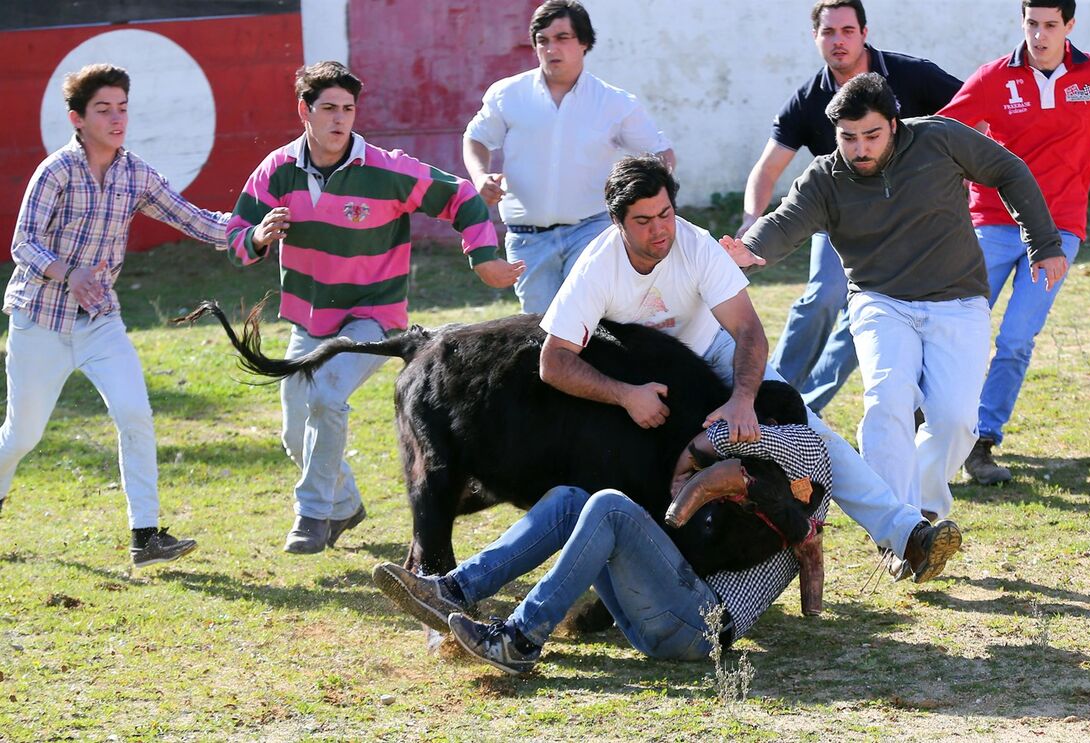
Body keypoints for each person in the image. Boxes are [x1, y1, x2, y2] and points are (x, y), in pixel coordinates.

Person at [537, 155, 959, 587]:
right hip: (645, 379)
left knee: (813, 433)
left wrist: (742, 399)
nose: (660, 229)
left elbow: (748, 332)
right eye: (643, 221)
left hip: (714, 352)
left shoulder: (695, 244)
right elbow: (553, 362)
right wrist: (625, 394)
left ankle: (906, 534)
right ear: (617, 222)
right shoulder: (596, 268)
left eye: (665, 214)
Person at [732, 73, 1064, 528]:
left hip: (958, 301)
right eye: (848, 138)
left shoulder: (939, 138)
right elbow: (787, 220)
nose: (860, 149)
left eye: (871, 135)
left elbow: (1008, 169)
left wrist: (1043, 243)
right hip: (879, 302)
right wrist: (751, 249)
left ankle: (923, 505)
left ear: (895, 124)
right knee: (888, 402)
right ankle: (900, 526)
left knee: (955, 421)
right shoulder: (825, 178)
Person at [227, 61, 523, 554]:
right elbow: (235, 235)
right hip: (308, 320)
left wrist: (485, 258)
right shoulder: (277, 170)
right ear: (305, 111)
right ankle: (344, 505)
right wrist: (257, 237)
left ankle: (313, 514)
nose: (340, 119)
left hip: (374, 319)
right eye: (328, 109)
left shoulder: (387, 170)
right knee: (294, 434)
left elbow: (462, 198)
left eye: (348, 109)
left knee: (326, 395)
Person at [373, 407, 834, 676]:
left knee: (609, 506)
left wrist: (702, 446)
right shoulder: (778, 492)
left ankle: (520, 638)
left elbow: (725, 436)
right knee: (576, 500)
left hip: (701, 627)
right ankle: (455, 590)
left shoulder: (804, 445)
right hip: (673, 616)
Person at [1, 64, 229, 567]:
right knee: (23, 435)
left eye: (122, 107)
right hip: (40, 318)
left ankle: (145, 537)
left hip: (101, 320)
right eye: (104, 109)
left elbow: (193, 217)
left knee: (134, 414)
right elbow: (23, 243)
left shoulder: (136, 173)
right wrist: (68, 272)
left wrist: (251, 232)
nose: (116, 117)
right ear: (77, 119)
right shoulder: (56, 170)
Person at [736, 0, 961, 412]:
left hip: (909, 225)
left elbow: (972, 109)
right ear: (815, 37)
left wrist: (962, 167)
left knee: (863, 319)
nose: (838, 41)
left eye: (847, 31)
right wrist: (752, 225)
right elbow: (765, 171)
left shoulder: (911, 74)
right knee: (823, 297)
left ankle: (803, 409)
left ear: (864, 32)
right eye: (828, 32)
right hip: (839, 223)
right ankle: (771, 396)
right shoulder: (808, 99)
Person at [937, 0, 1090, 485]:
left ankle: (982, 442)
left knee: (1016, 339)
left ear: (1070, 26)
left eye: (1050, 25)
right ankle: (929, 421)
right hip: (991, 223)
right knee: (957, 329)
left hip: (1059, 232)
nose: (1039, 35)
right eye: (1031, 23)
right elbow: (941, 133)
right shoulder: (993, 78)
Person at [463, 0, 675, 314]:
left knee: (592, 319)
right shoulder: (508, 94)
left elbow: (661, 153)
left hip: (590, 230)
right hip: (528, 239)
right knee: (541, 330)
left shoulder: (614, 102)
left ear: (584, 43)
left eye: (562, 38)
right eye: (542, 40)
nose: (551, 49)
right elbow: (476, 138)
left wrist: (649, 199)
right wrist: (480, 176)